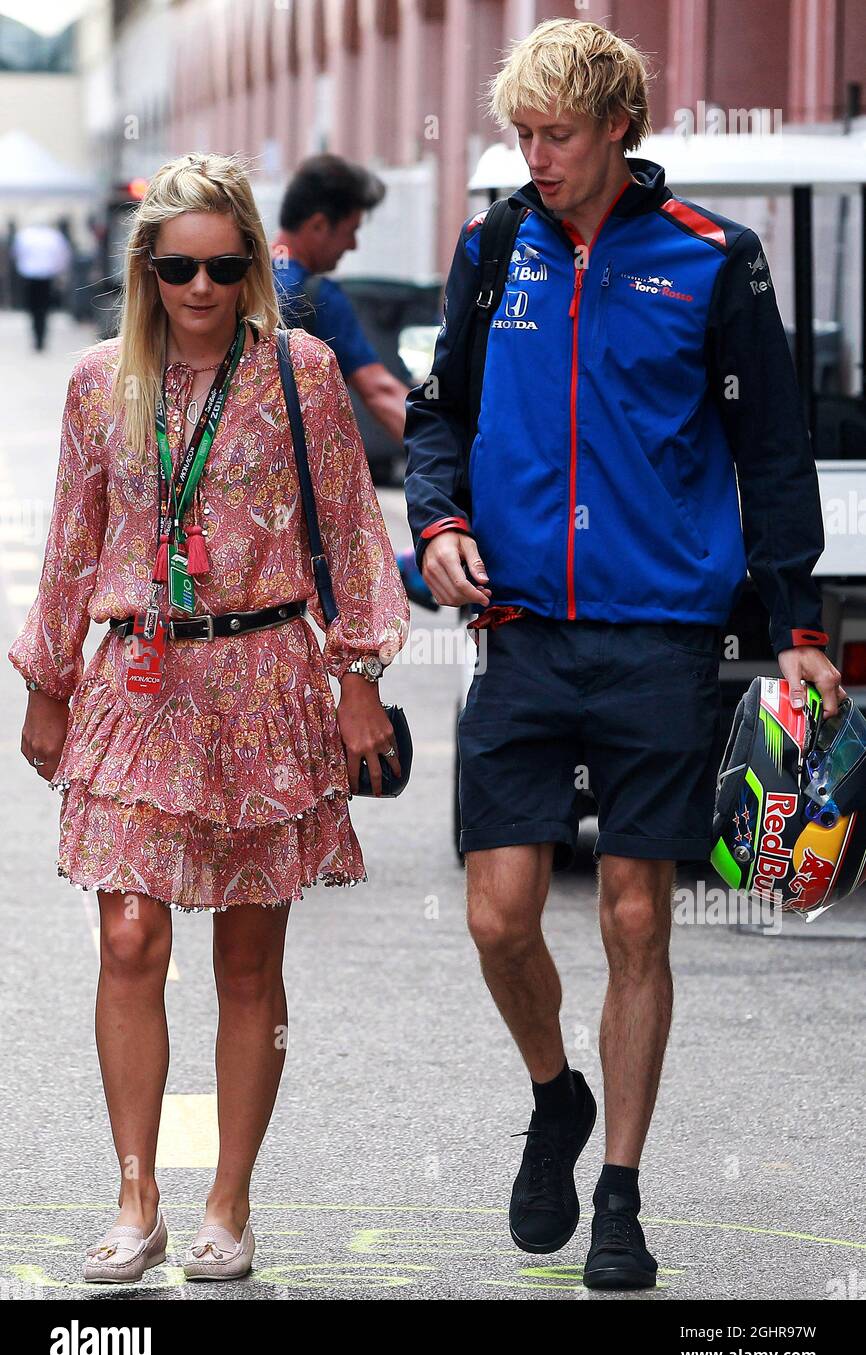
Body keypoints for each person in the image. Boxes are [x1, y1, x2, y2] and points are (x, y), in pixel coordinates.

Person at [403, 19, 844, 1290]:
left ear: (616, 129)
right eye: (520, 135)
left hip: (658, 635)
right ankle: (556, 1093)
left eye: (555, 134)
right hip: (521, 631)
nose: (533, 157)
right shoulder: (493, 249)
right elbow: (439, 415)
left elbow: (770, 449)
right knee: (497, 917)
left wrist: (795, 627)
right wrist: (437, 521)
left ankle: (619, 1194)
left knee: (638, 912)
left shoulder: (712, 259)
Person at [9, 151, 409, 1284]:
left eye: (224, 268)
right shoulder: (101, 382)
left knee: (245, 959)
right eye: (179, 268)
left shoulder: (300, 371)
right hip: (136, 687)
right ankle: (136, 1195)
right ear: (147, 269)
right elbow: (74, 538)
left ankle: (228, 1200)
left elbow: (349, 526)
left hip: (263, 683)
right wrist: (47, 682)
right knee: (128, 937)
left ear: (252, 268)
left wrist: (359, 675)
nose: (200, 288)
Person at [271, 154, 408, 443]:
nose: (353, 245)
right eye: (351, 231)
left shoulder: (240, 277)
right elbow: (380, 392)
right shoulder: (317, 297)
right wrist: (444, 450)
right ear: (319, 225)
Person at [10, 217, 72, 351]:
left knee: (33, 308)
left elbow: (16, 254)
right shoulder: (54, 236)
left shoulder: (24, 235)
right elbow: (63, 256)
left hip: (30, 276)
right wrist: (59, 271)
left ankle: (37, 335)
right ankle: (41, 336)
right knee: (43, 308)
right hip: (46, 276)